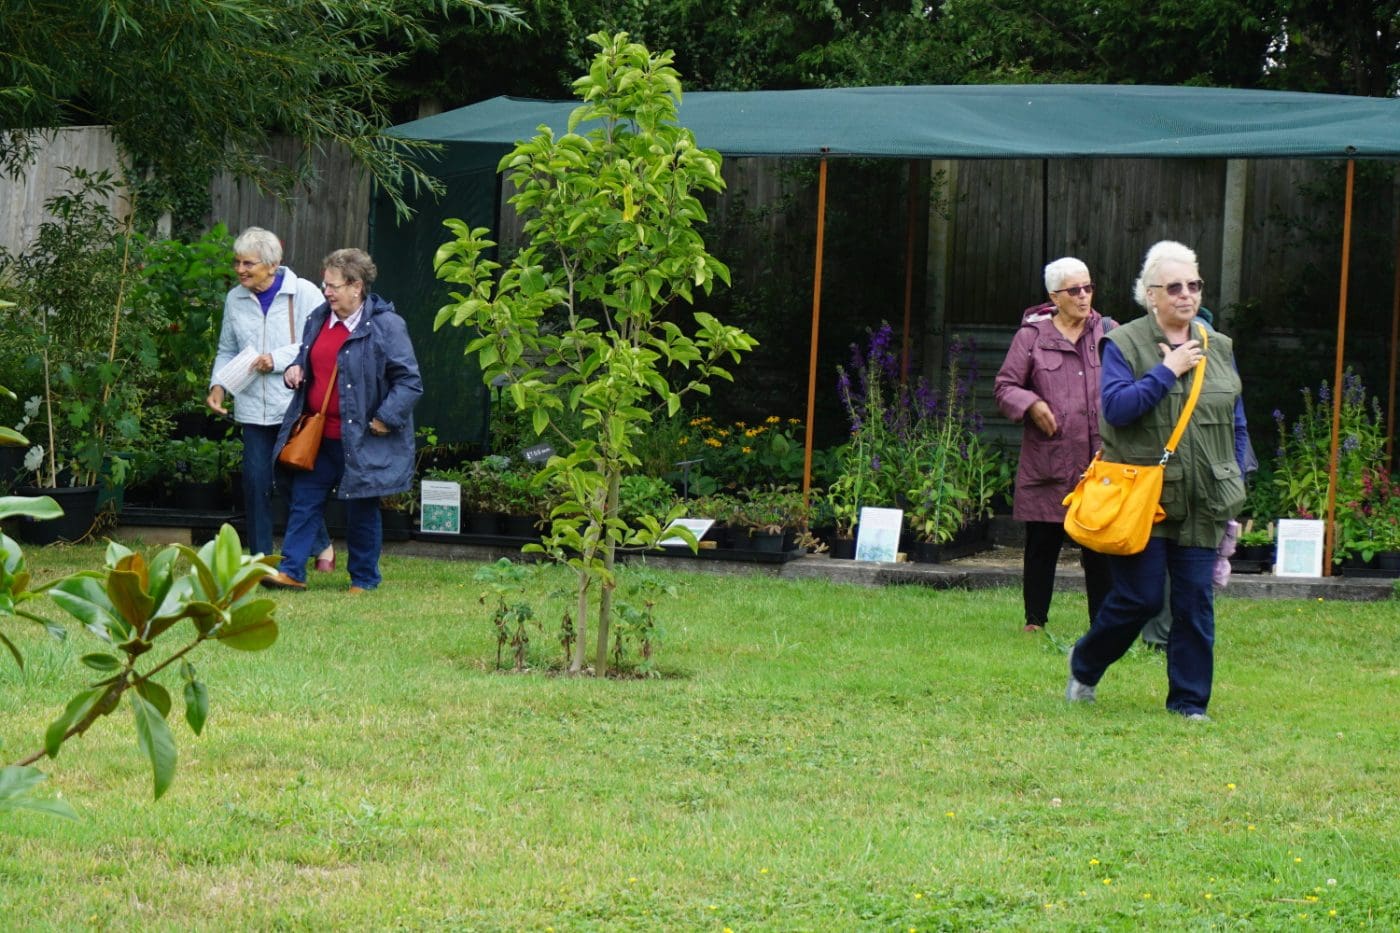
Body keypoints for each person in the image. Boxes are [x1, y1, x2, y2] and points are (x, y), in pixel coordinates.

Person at [1066, 240, 1248, 720]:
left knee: (1194, 603)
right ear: (1151, 295)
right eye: (1174, 287)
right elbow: (1117, 410)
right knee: (1141, 597)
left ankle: (1189, 704)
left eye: (1194, 285)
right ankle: (1085, 664)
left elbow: (1237, 421)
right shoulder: (1123, 344)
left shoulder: (1220, 347)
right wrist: (1166, 371)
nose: (1186, 295)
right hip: (1142, 498)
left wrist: (1237, 475)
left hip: (1203, 496)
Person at [261, 248, 422, 593]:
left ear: (357, 286)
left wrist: (385, 418)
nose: (327, 292)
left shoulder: (387, 326)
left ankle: (364, 579)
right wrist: (295, 369)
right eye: (325, 284)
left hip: (363, 437)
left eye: (333, 286)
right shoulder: (318, 318)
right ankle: (291, 571)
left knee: (361, 508)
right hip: (318, 436)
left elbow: (409, 381)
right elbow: (309, 360)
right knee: (304, 501)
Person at [994, 257, 1113, 634]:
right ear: (1054, 297)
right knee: (1042, 543)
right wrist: (1031, 403)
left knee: (1099, 549)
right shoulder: (1031, 337)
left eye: (1088, 288)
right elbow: (1005, 387)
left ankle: (1102, 624)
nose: (1084, 296)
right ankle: (1035, 621)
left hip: (1099, 461)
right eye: (1074, 290)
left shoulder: (1108, 332)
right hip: (1050, 459)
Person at [207, 227, 333, 568]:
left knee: (292, 483)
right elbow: (227, 349)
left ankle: (322, 546)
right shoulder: (235, 298)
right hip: (251, 408)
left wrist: (275, 359)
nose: (240, 270)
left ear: (272, 265)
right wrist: (218, 385)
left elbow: (320, 342)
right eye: (237, 262)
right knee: (256, 484)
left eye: (248, 263)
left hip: (292, 406)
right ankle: (260, 559)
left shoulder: (304, 292)